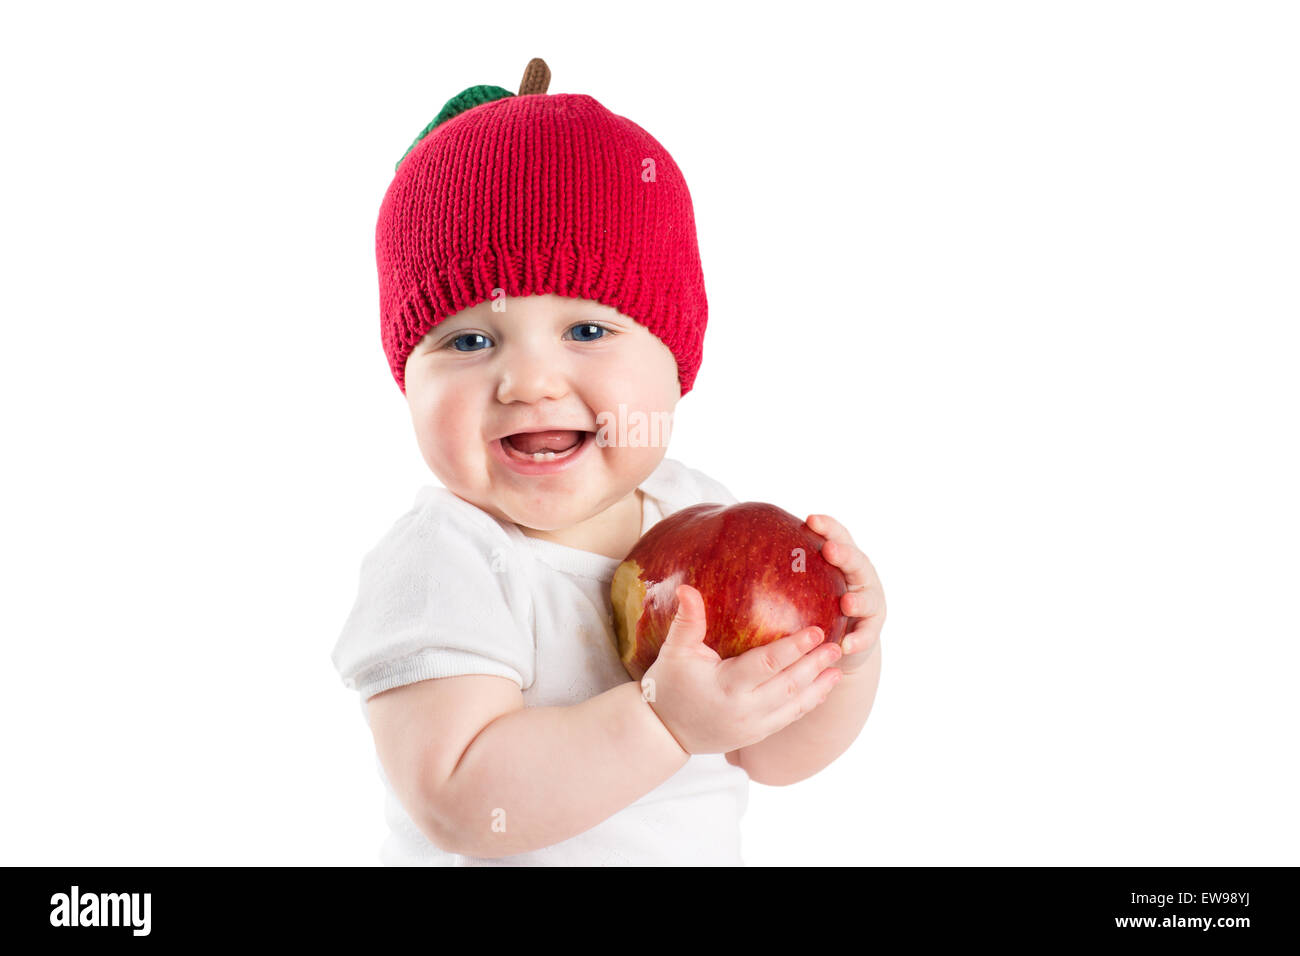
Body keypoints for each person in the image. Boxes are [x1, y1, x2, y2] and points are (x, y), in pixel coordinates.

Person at [331, 58, 885, 865]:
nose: (527, 381)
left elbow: (772, 756)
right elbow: (459, 799)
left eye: (587, 331)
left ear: (675, 359)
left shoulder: (695, 513)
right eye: (470, 340)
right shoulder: (442, 561)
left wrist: (841, 657)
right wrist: (661, 720)